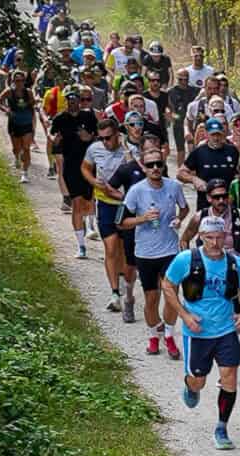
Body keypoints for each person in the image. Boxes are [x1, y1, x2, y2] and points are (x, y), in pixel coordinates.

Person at [164, 215, 240, 450]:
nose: (215, 243)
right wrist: (184, 315)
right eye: (209, 238)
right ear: (201, 237)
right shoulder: (186, 260)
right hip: (197, 332)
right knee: (199, 382)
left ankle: (222, 427)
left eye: (219, 237)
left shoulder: (235, 263)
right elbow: (168, 285)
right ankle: (190, 386)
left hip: (225, 331)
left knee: (229, 378)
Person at [119, 144, 187, 358]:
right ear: (144, 167)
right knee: (151, 298)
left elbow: (184, 208)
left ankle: (168, 335)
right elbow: (121, 222)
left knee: (171, 294)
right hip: (145, 253)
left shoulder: (174, 187)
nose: (156, 168)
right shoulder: (136, 191)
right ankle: (152, 336)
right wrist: (143, 218)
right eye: (151, 165)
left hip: (169, 250)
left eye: (159, 163)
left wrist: (179, 218)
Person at [84, 116, 137, 318]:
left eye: (109, 138)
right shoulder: (95, 149)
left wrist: (127, 151)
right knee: (111, 247)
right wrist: (93, 181)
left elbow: (138, 171)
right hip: (105, 204)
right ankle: (115, 293)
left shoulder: (128, 149)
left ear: (117, 134)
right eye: (102, 138)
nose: (106, 142)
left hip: (126, 205)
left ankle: (124, 281)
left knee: (125, 249)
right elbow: (85, 168)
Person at [50, 88, 100, 259]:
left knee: (89, 201)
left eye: (75, 99)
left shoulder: (88, 117)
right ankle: (81, 245)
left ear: (80, 101)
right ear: (66, 102)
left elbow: (99, 137)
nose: (72, 103)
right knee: (77, 203)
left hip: (89, 164)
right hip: (71, 166)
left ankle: (88, 223)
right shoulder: (60, 119)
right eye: (69, 100)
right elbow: (54, 142)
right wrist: (56, 143)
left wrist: (89, 138)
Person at [179, 116, 239, 197]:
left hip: (228, 200)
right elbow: (180, 173)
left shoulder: (232, 151)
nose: (216, 138)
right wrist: (194, 179)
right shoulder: (199, 152)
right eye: (212, 134)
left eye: (218, 134)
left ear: (223, 133)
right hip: (205, 201)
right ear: (206, 134)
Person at [0, 69, 38, 182]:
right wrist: (6, 109)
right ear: (13, 80)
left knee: (26, 148)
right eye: (17, 80)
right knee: (16, 148)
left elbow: (33, 103)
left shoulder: (28, 92)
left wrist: (33, 103)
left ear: (24, 81)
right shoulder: (9, 91)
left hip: (27, 123)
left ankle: (24, 174)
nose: (19, 83)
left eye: (22, 80)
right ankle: (17, 157)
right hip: (14, 122)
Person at [165, 67, 196, 157]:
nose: (183, 81)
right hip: (178, 123)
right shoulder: (170, 91)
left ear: (188, 78)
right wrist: (173, 116)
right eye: (180, 79)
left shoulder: (194, 90)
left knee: (192, 149)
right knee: (180, 150)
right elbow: (166, 108)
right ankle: (180, 170)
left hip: (191, 123)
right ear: (177, 79)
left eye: (185, 79)